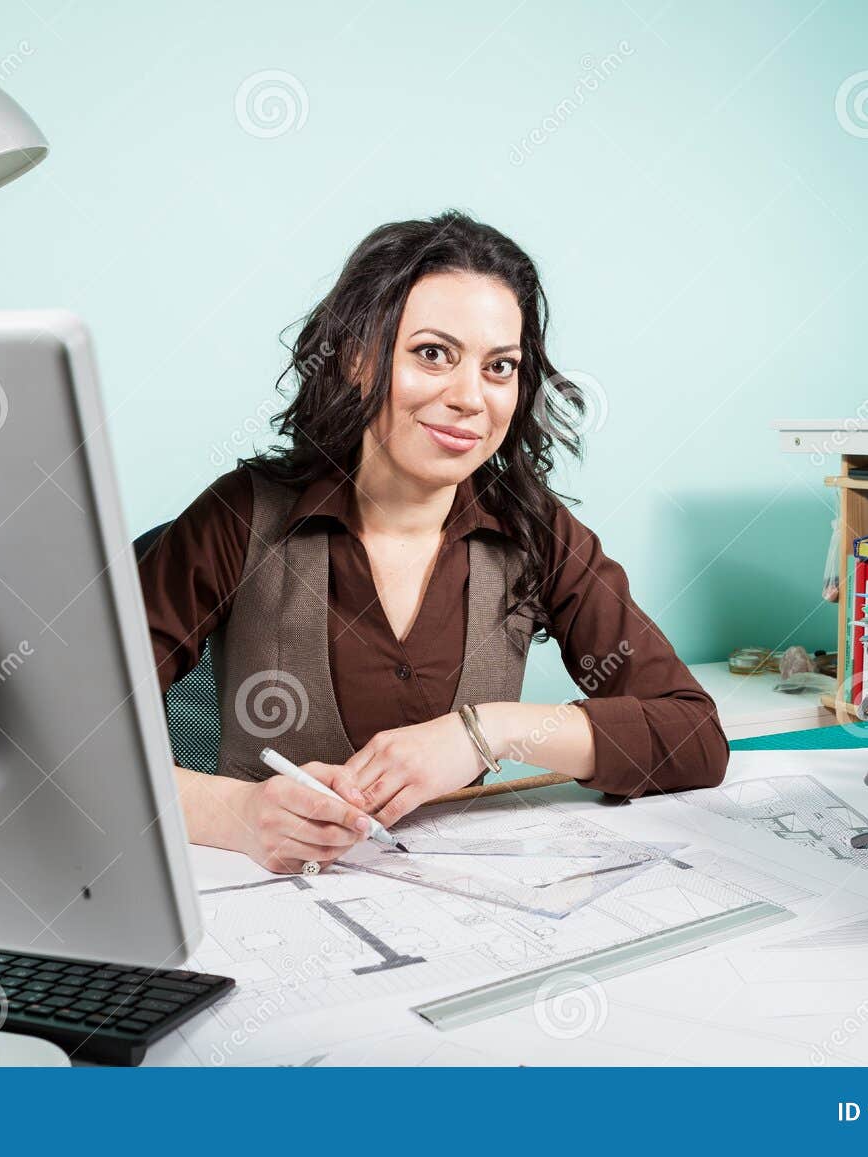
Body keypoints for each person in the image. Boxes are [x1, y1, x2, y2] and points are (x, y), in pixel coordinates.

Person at [139, 211, 727, 874]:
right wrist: (240, 815)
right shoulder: (237, 517)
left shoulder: (535, 530)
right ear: (359, 358)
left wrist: (487, 731)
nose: (469, 398)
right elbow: (62, 747)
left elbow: (695, 735)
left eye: (499, 367)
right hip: (263, 904)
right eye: (432, 354)